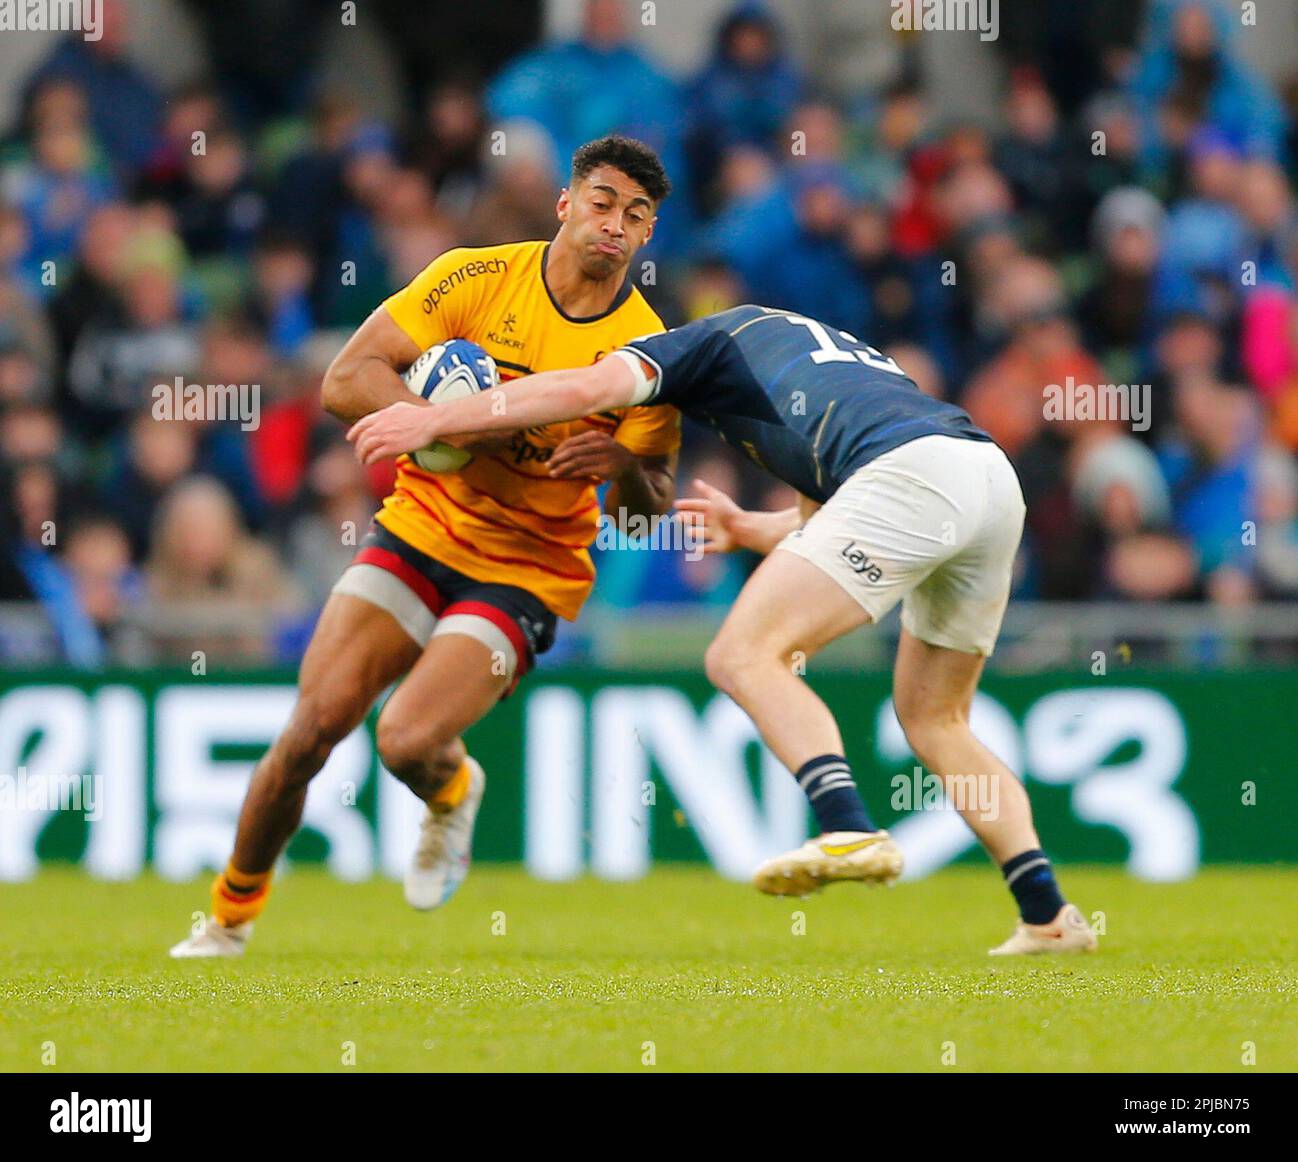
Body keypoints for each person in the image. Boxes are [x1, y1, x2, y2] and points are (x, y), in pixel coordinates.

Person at [350, 304, 1098, 956]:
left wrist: (439, 417)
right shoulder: (812, 351)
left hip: (914, 482)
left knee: (744, 654)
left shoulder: (697, 345)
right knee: (936, 718)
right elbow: (846, 498)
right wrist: (751, 526)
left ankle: (849, 824)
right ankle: (1049, 914)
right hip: (985, 482)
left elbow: (583, 387)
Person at [170, 135, 680, 958]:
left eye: (636, 214)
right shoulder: (474, 278)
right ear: (565, 205)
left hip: (527, 567)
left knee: (404, 738)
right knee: (310, 730)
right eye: (602, 202)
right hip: (420, 527)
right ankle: (229, 919)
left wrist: (623, 463)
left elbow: (650, 504)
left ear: (648, 233)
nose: (614, 224)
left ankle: (451, 789)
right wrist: (443, 423)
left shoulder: (646, 351)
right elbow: (345, 378)